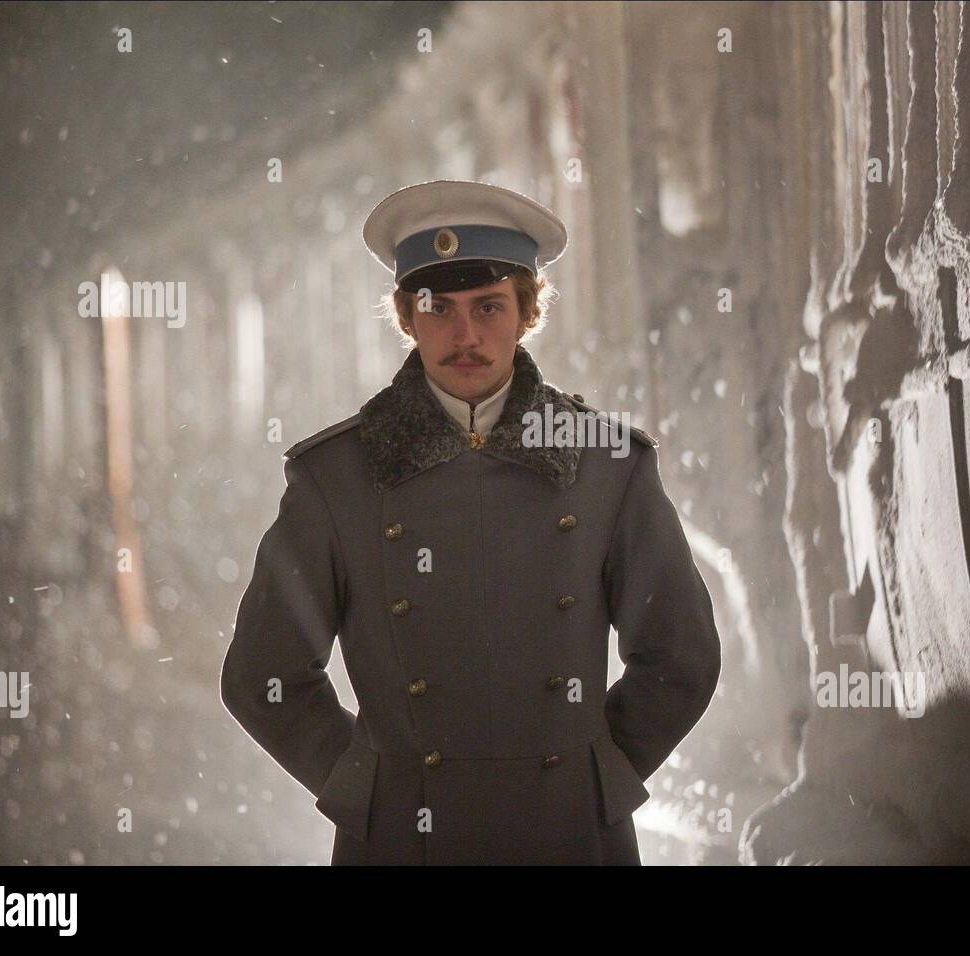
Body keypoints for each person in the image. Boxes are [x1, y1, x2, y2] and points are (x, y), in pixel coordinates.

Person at [220, 179, 722, 864]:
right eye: (438, 309)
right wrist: (369, 786)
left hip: (571, 840)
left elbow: (679, 659)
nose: (465, 335)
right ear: (409, 318)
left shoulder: (606, 465)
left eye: (488, 306)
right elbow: (263, 675)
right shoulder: (337, 478)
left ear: (525, 312)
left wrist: (595, 775)